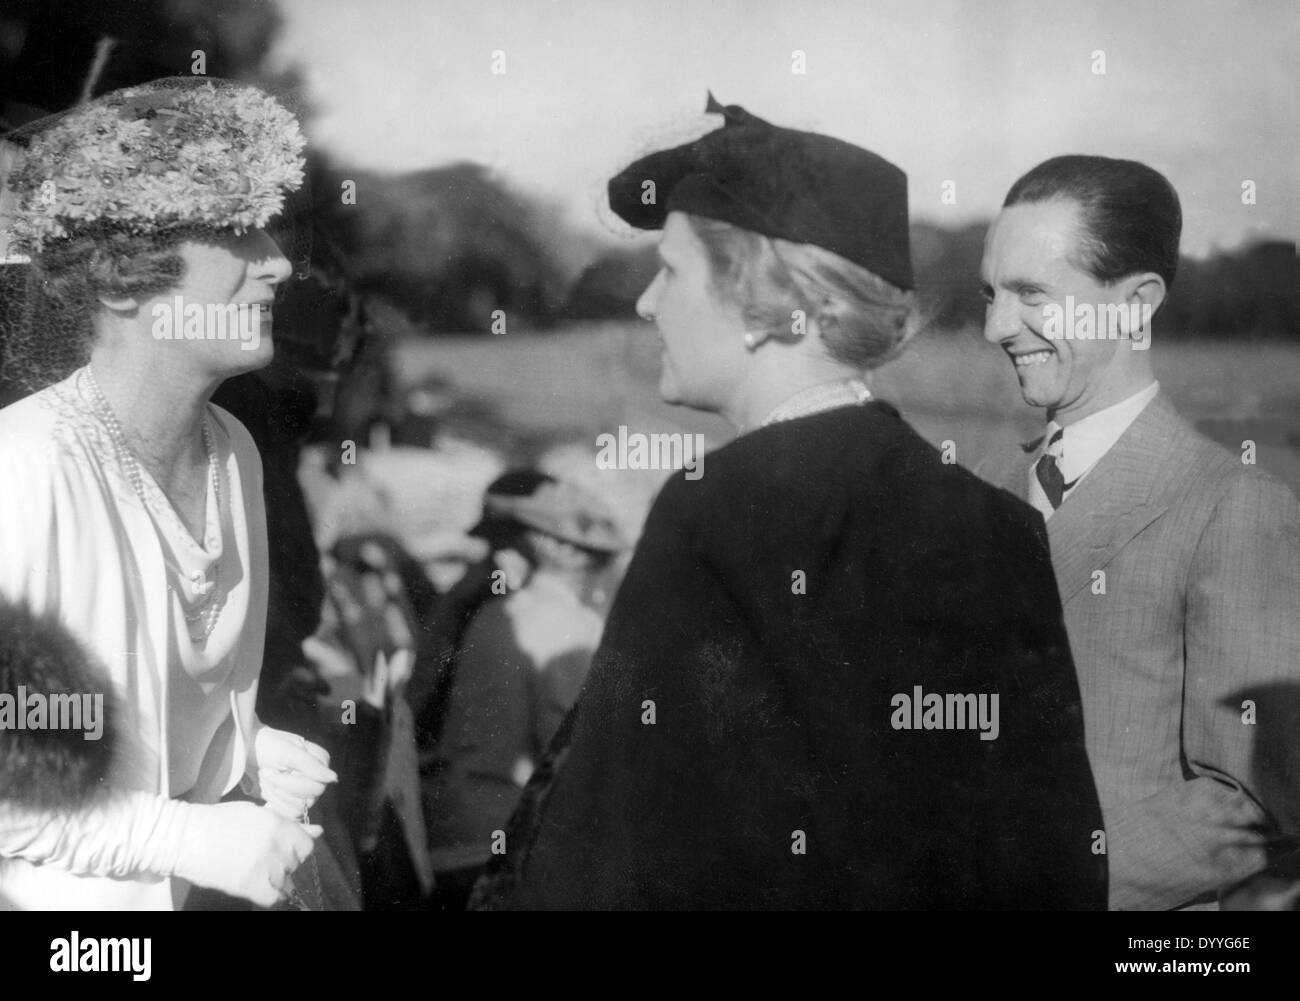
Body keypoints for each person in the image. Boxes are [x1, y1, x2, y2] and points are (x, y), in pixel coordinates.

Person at [473, 96, 1106, 910]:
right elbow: (1053, 855)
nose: (646, 303)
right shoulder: (1002, 525)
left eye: (671, 269)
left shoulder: (716, 509)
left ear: (763, 303)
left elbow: (603, 853)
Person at [0, 78, 336, 910]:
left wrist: (249, 749)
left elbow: (168, 720)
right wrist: (192, 836)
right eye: (236, 232)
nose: (282, 264)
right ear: (122, 281)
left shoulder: (237, 452)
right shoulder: (27, 469)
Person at [977, 155, 1300, 910]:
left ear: (1134, 303)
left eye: (1030, 294)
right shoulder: (980, 486)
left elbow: (1255, 801)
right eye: (990, 295)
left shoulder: (1233, 505)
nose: (995, 326)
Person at [420, 470, 627, 910]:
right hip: (508, 847)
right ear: (565, 550)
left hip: (456, 833)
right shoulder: (572, 628)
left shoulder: (501, 612)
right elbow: (574, 749)